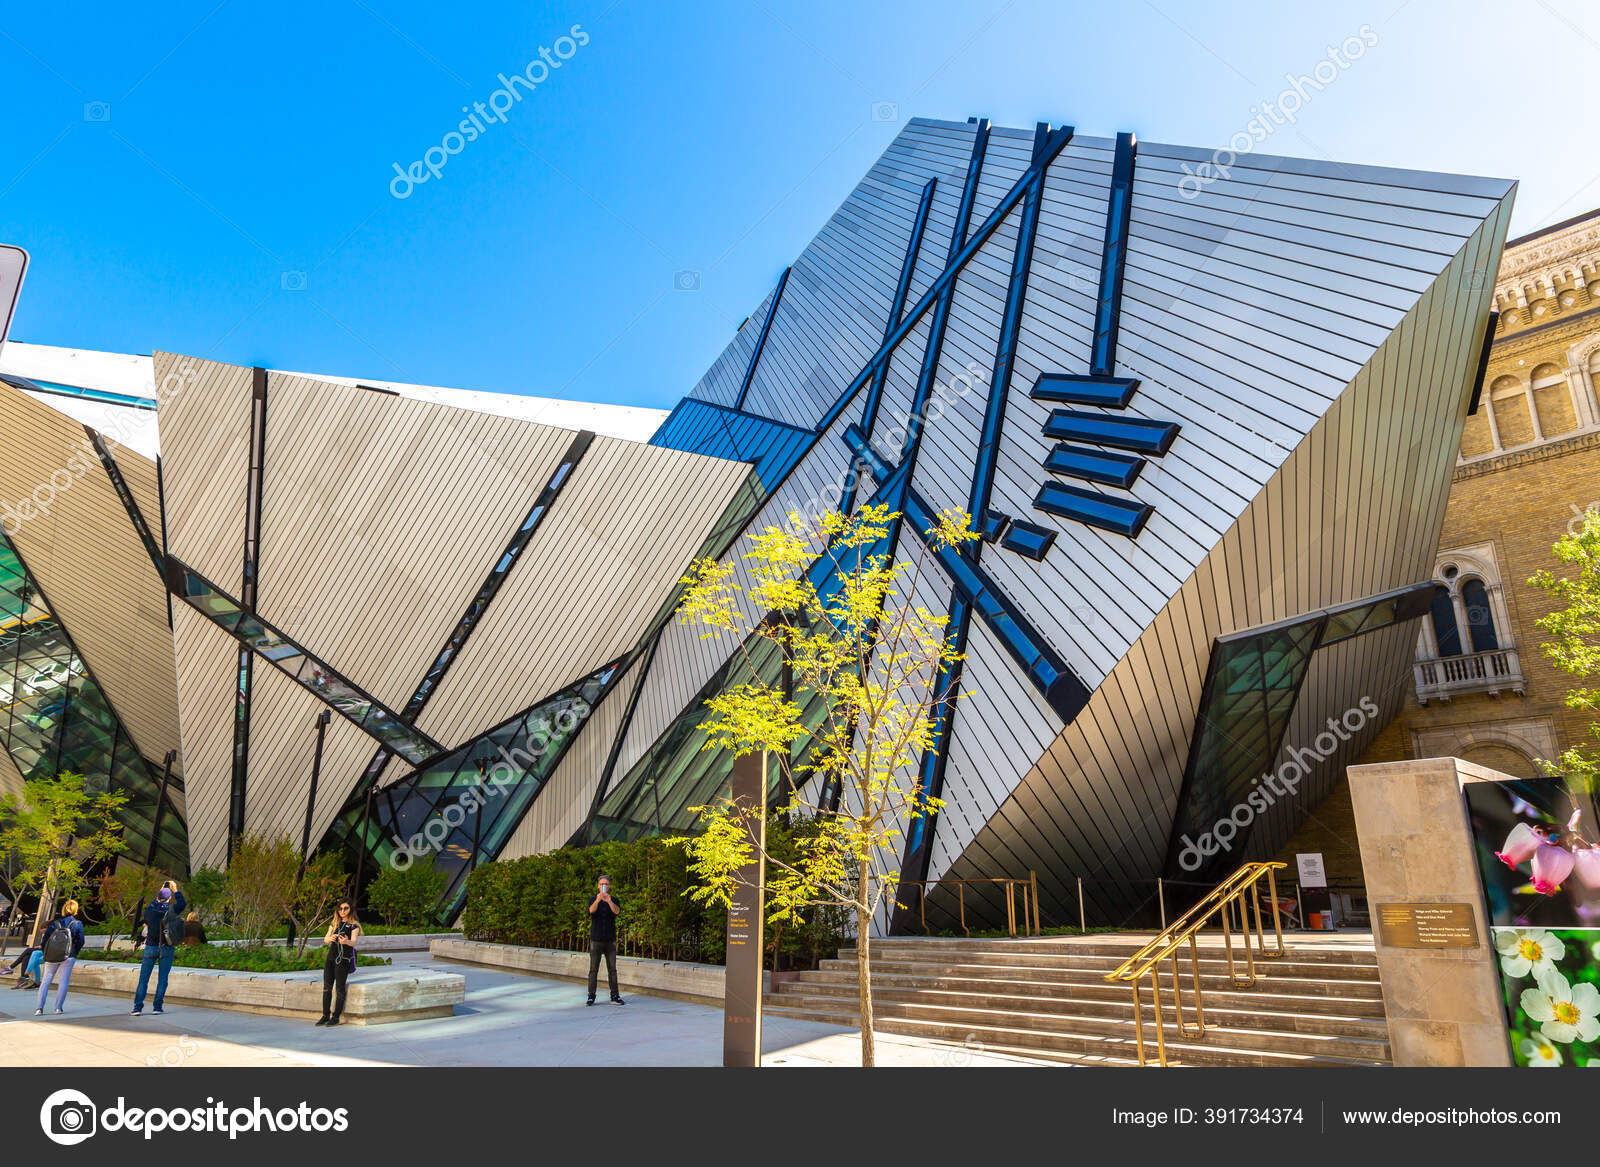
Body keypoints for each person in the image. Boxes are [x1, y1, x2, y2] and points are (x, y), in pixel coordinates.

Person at [130, 881, 185, 1016]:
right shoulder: (171, 911)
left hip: (150, 947)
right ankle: (157, 1007)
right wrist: (175, 889)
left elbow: (156, 902)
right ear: (169, 898)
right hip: (166, 947)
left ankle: (137, 1008)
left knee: (143, 979)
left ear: (158, 897)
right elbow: (182, 904)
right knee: (162, 979)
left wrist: (163, 889)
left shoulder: (150, 911)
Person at [34, 900, 85, 1015]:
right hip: (69, 955)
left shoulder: (54, 923)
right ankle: (58, 1008)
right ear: (75, 910)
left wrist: (46, 952)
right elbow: (81, 941)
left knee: (46, 981)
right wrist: (74, 951)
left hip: (52, 955)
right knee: (63, 982)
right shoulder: (77, 924)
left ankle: (39, 1008)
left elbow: (45, 940)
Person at [317, 899, 362, 1026]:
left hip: (343, 959)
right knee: (327, 987)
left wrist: (346, 941)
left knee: (340, 988)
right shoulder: (334, 924)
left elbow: (353, 942)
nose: (343, 911)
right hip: (331, 958)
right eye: (340, 908)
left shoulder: (354, 925)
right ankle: (325, 1015)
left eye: (346, 908)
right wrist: (330, 938)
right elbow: (325, 938)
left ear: (350, 909)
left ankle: (335, 1016)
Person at [585, 874, 624, 1006]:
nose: (604, 886)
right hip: (596, 940)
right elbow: (591, 911)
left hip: (610, 940)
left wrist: (608, 901)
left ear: (609, 886)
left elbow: (617, 912)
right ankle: (591, 996)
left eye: (606, 884)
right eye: (602, 884)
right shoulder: (592, 899)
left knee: (612, 969)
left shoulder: (614, 900)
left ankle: (615, 995)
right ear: (598, 886)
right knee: (593, 969)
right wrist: (598, 900)